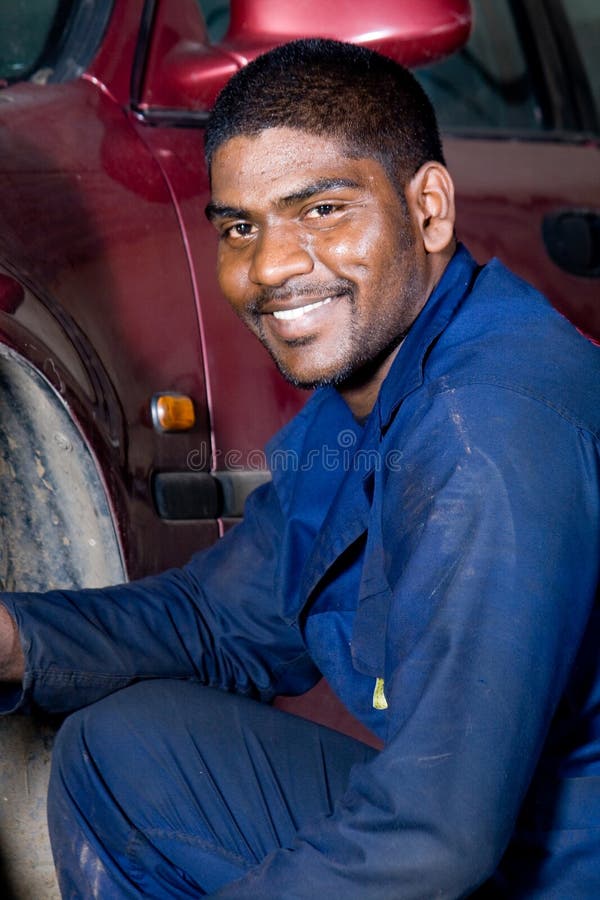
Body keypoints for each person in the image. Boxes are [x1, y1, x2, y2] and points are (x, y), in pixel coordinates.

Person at [1, 37, 599, 898]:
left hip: (560, 869)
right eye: (241, 227)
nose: (271, 266)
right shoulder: (376, 401)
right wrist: (16, 640)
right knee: (129, 750)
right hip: (482, 834)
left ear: (429, 209)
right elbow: (219, 622)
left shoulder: (485, 437)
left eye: (322, 210)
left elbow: (432, 842)